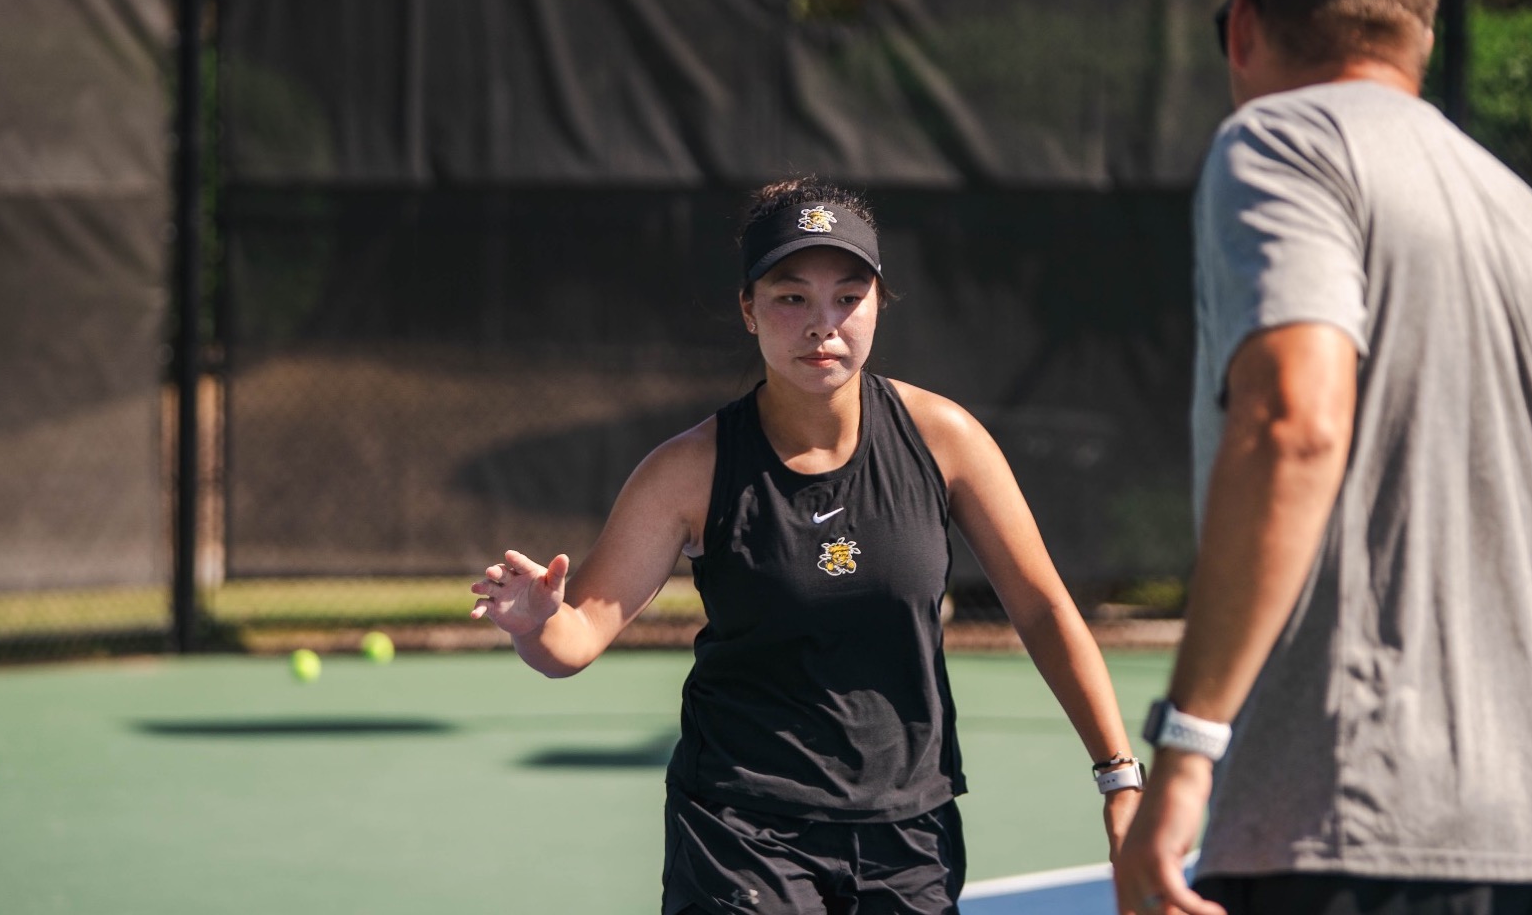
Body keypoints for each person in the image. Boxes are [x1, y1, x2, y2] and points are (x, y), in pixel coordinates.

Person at [1114, 0, 1532, 915]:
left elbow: (1295, 422)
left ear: (1244, 20)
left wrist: (1188, 747)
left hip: (1343, 826)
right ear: (1420, 34)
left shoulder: (1282, 143)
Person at [470, 178, 1142, 914]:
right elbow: (575, 638)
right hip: (740, 831)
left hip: (909, 831)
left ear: (879, 304)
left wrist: (1119, 777)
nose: (823, 324)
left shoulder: (946, 440)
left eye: (848, 297)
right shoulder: (688, 471)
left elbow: (1043, 609)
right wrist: (535, 623)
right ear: (748, 310)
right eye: (792, 297)